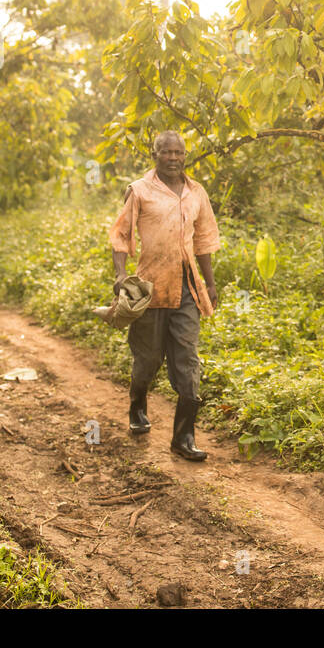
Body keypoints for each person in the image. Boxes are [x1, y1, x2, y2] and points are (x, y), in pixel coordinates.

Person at [108, 131, 221, 461]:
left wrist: (210, 284)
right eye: (166, 152)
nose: (173, 158)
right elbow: (121, 235)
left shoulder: (196, 192)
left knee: (187, 360)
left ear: (184, 155)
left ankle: (183, 437)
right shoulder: (140, 191)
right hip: (150, 289)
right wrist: (120, 275)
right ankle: (137, 404)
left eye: (179, 153)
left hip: (187, 289)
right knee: (148, 359)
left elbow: (204, 241)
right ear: (154, 154)